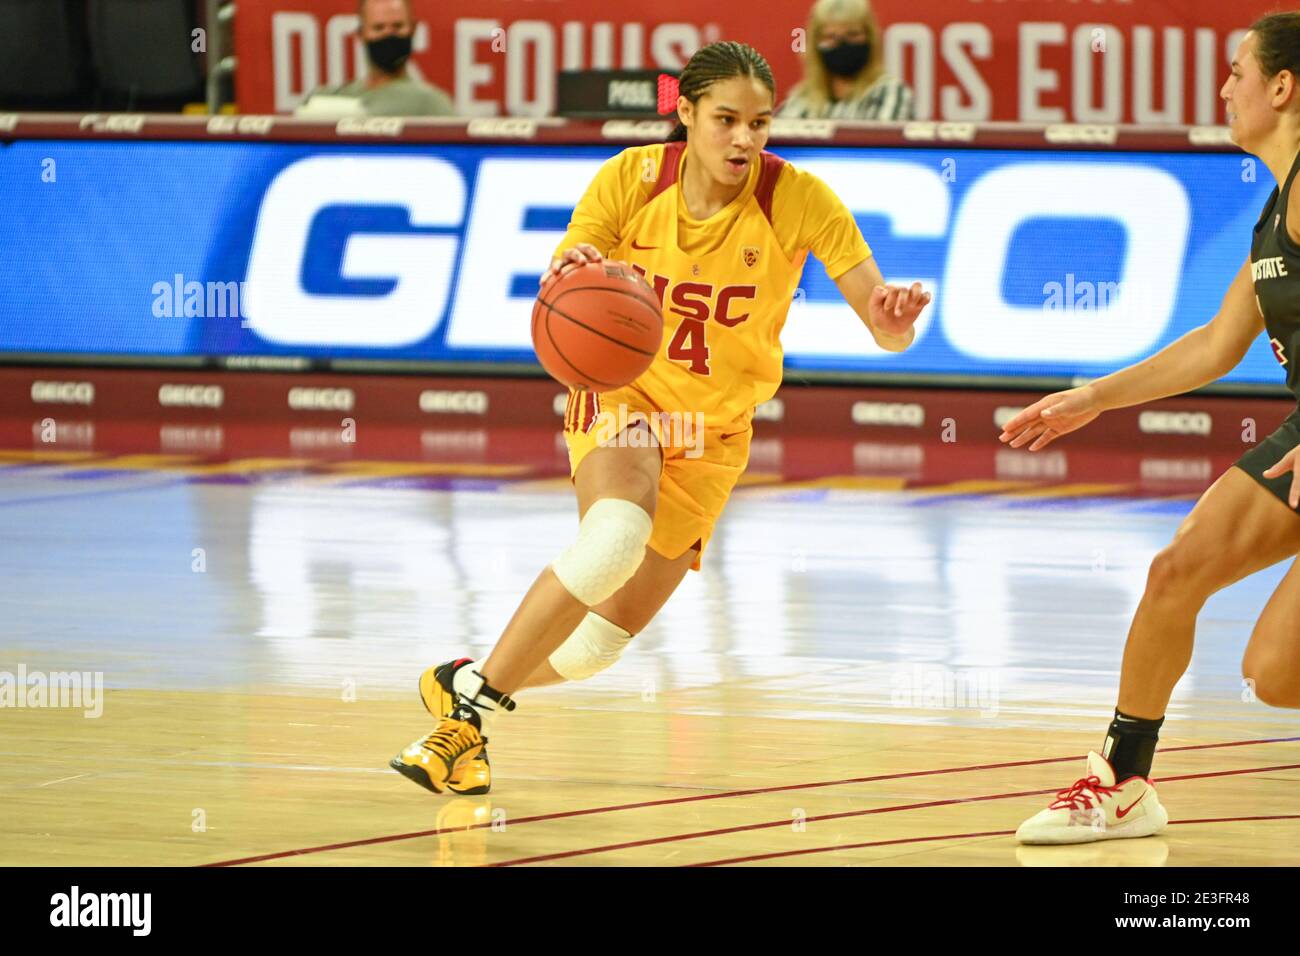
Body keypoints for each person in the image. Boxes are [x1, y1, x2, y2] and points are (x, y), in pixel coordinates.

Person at [391, 40, 931, 796]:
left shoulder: (798, 197)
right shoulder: (632, 177)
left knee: (594, 649)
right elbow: (574, 258)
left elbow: (886, 327)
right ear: (684, 113)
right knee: (613, 535)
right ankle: (466, 723)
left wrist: (894, 317)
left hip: (712, 439)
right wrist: (573, 269)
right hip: (626, 402)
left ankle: (467, 682)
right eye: (725, 119)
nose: (744, 138)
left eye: (761, 123)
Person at [1010, 13, 1300, 845]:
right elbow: (1216, 342)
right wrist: (1095, 396)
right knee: (1188, 582)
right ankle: (1124, 784)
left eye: (1237, 70)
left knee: (1274, 670)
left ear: (1282, 87)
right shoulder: (1279, 205)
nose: (1224, 87)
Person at [297, 0, 453, 118]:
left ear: (413, 29)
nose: (389, 34)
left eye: (397, 26)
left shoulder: (431, 105)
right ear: (361, 34)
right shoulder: (326, 97)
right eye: (379, 28)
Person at [776, 0, 914, 121]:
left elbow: (882, 144)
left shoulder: (890, 93)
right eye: (830, 36)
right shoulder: (800, 99)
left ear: (870, 38)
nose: (842, 45)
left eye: (852, 34)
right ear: (815, 43)